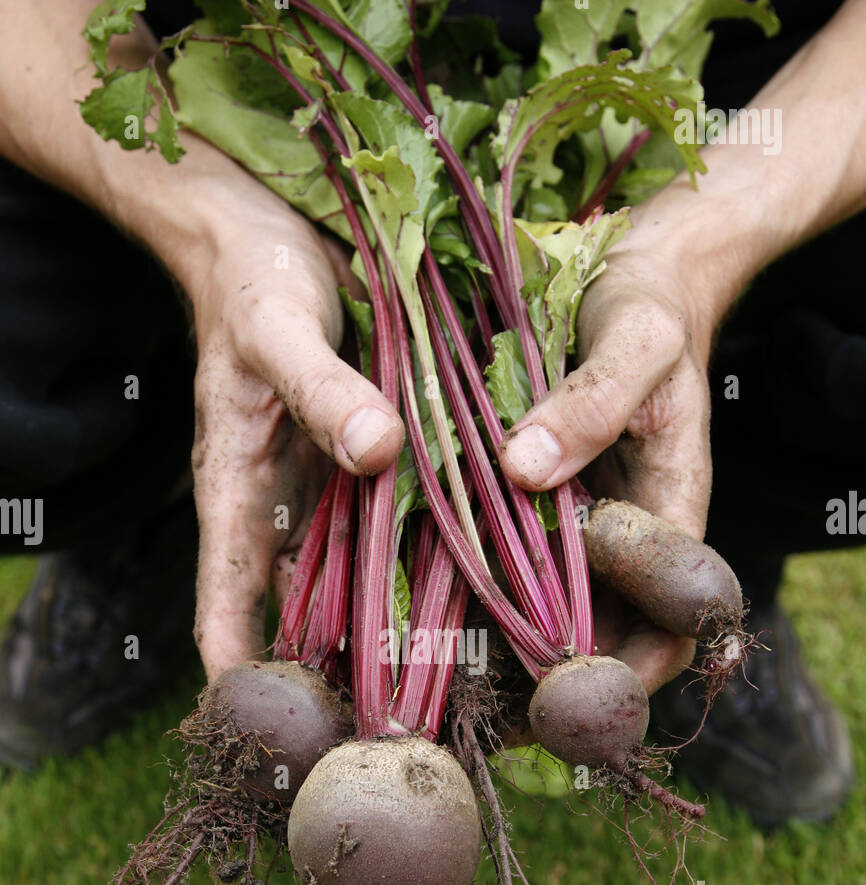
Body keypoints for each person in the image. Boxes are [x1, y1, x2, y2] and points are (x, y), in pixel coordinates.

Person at [0, 1, 862, 826]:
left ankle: (716, 571)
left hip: (742, 103)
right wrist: (219, 236)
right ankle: (135, 540)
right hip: (231, 120)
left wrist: (688, 260)